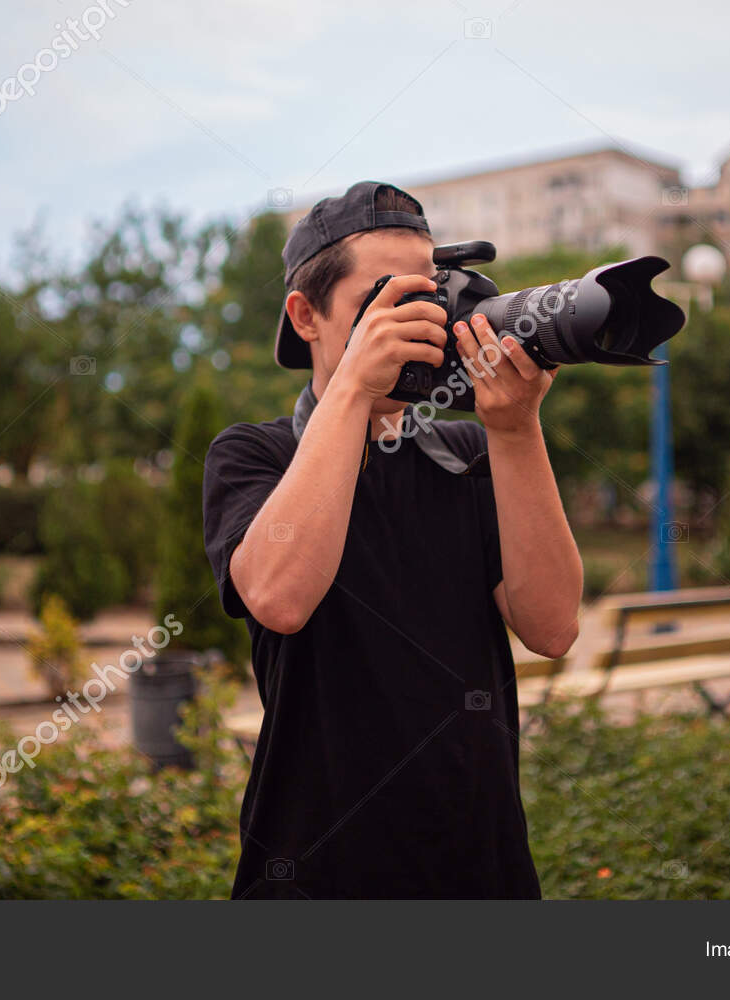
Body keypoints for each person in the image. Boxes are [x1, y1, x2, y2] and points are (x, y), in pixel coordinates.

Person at [201, 181, 583, 898]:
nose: (416, 326)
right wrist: (352, 386)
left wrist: (515, 428)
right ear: (304, 315)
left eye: (426, 301)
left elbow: (553, 625)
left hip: (483, 870)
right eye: (384, 305)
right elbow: (279, 597)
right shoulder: (253, 457)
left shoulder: (471, 455)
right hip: (316, 878)